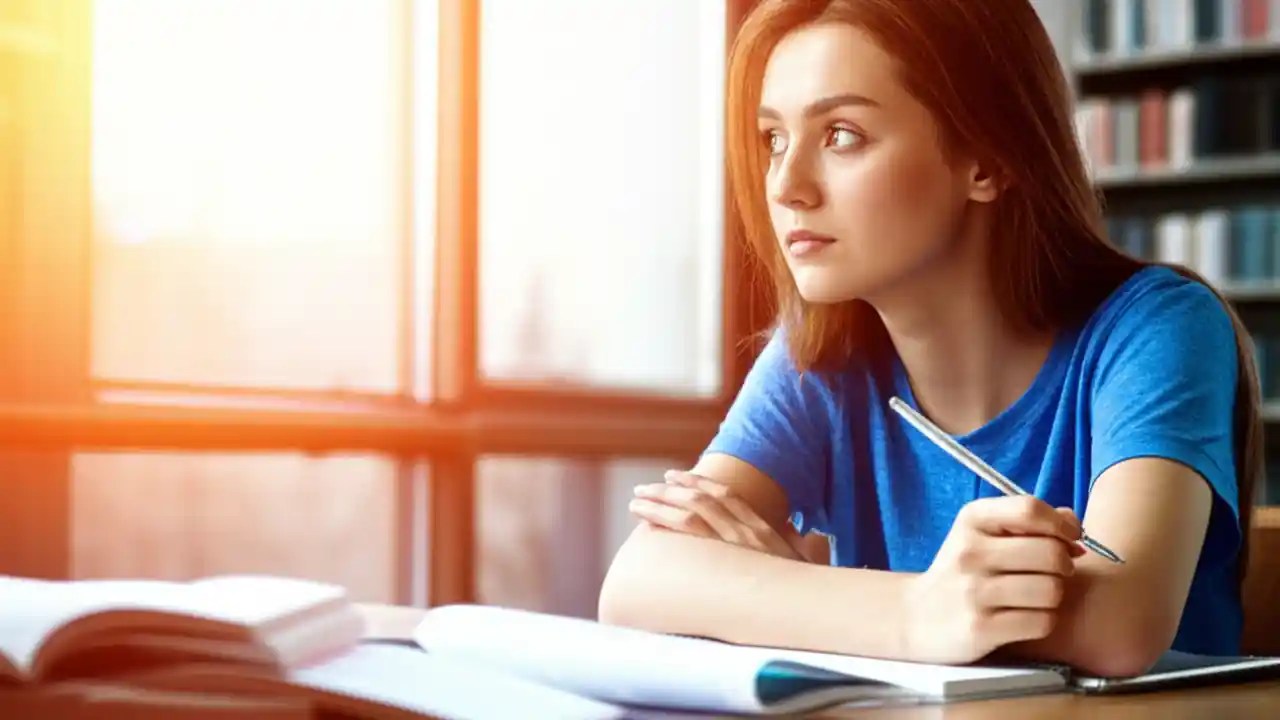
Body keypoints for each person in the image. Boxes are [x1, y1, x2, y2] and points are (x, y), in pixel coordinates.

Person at [597, 0, 1263, 679]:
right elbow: (642, 578)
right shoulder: (821, 355)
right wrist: (920, 610)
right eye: (773, 139)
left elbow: (1117, 623)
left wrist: (774, 593)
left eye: (842, 135)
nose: (787, 187)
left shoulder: (1156, 328)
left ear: (985, 159)